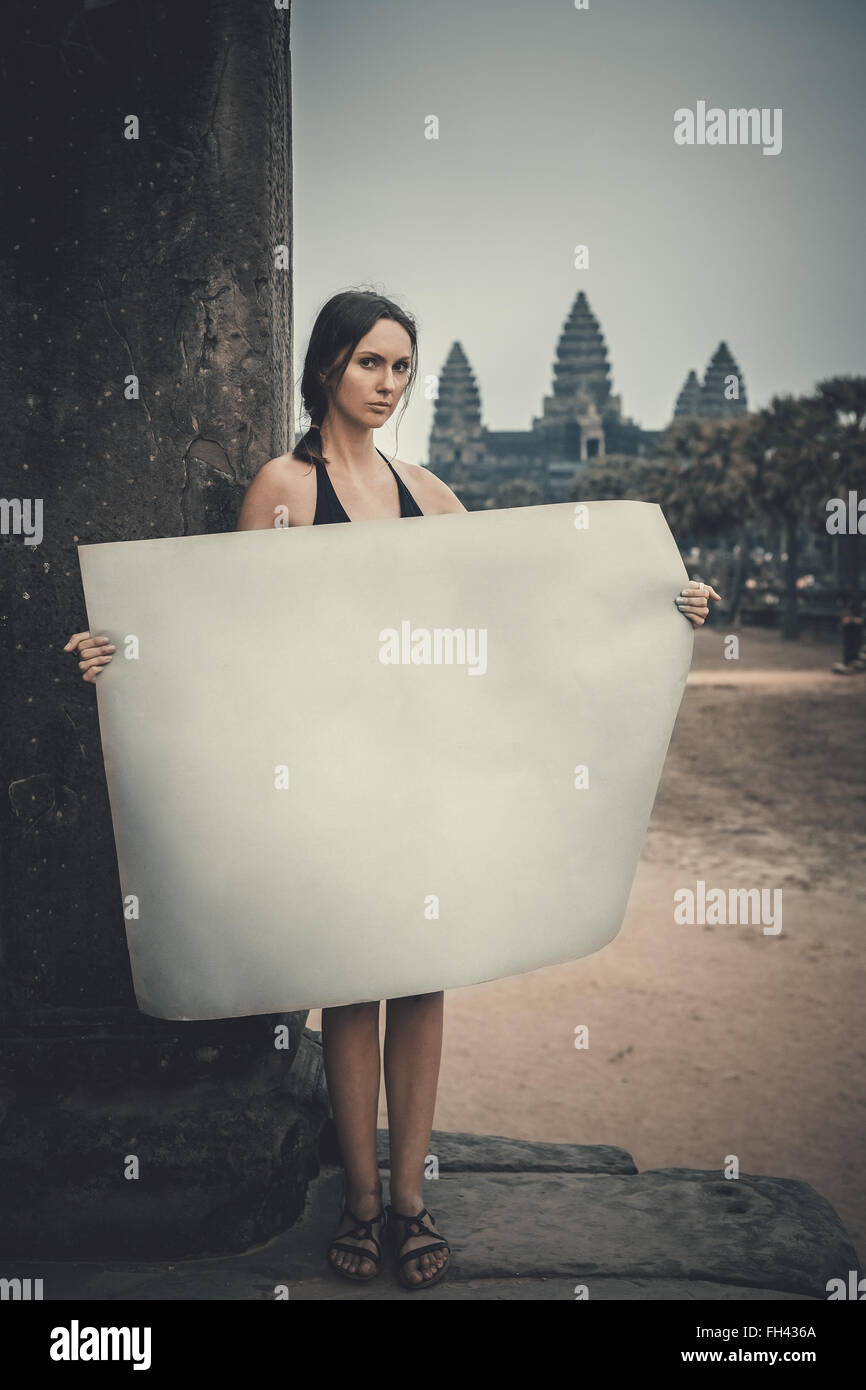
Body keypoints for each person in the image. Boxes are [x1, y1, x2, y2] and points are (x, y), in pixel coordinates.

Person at [63, 287, 720, 1290]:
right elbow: (225, 633)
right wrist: (125, 651)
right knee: (347, 981)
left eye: (402, 367)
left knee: (421, 977)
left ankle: (409, 1199)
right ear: (327, 367)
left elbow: (529, 603)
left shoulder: (429, 492)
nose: (388, 383)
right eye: (370, 362)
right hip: (330, 768)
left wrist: (656, 600)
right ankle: (360, 1202)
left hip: (423, 770)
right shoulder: (282, 488)